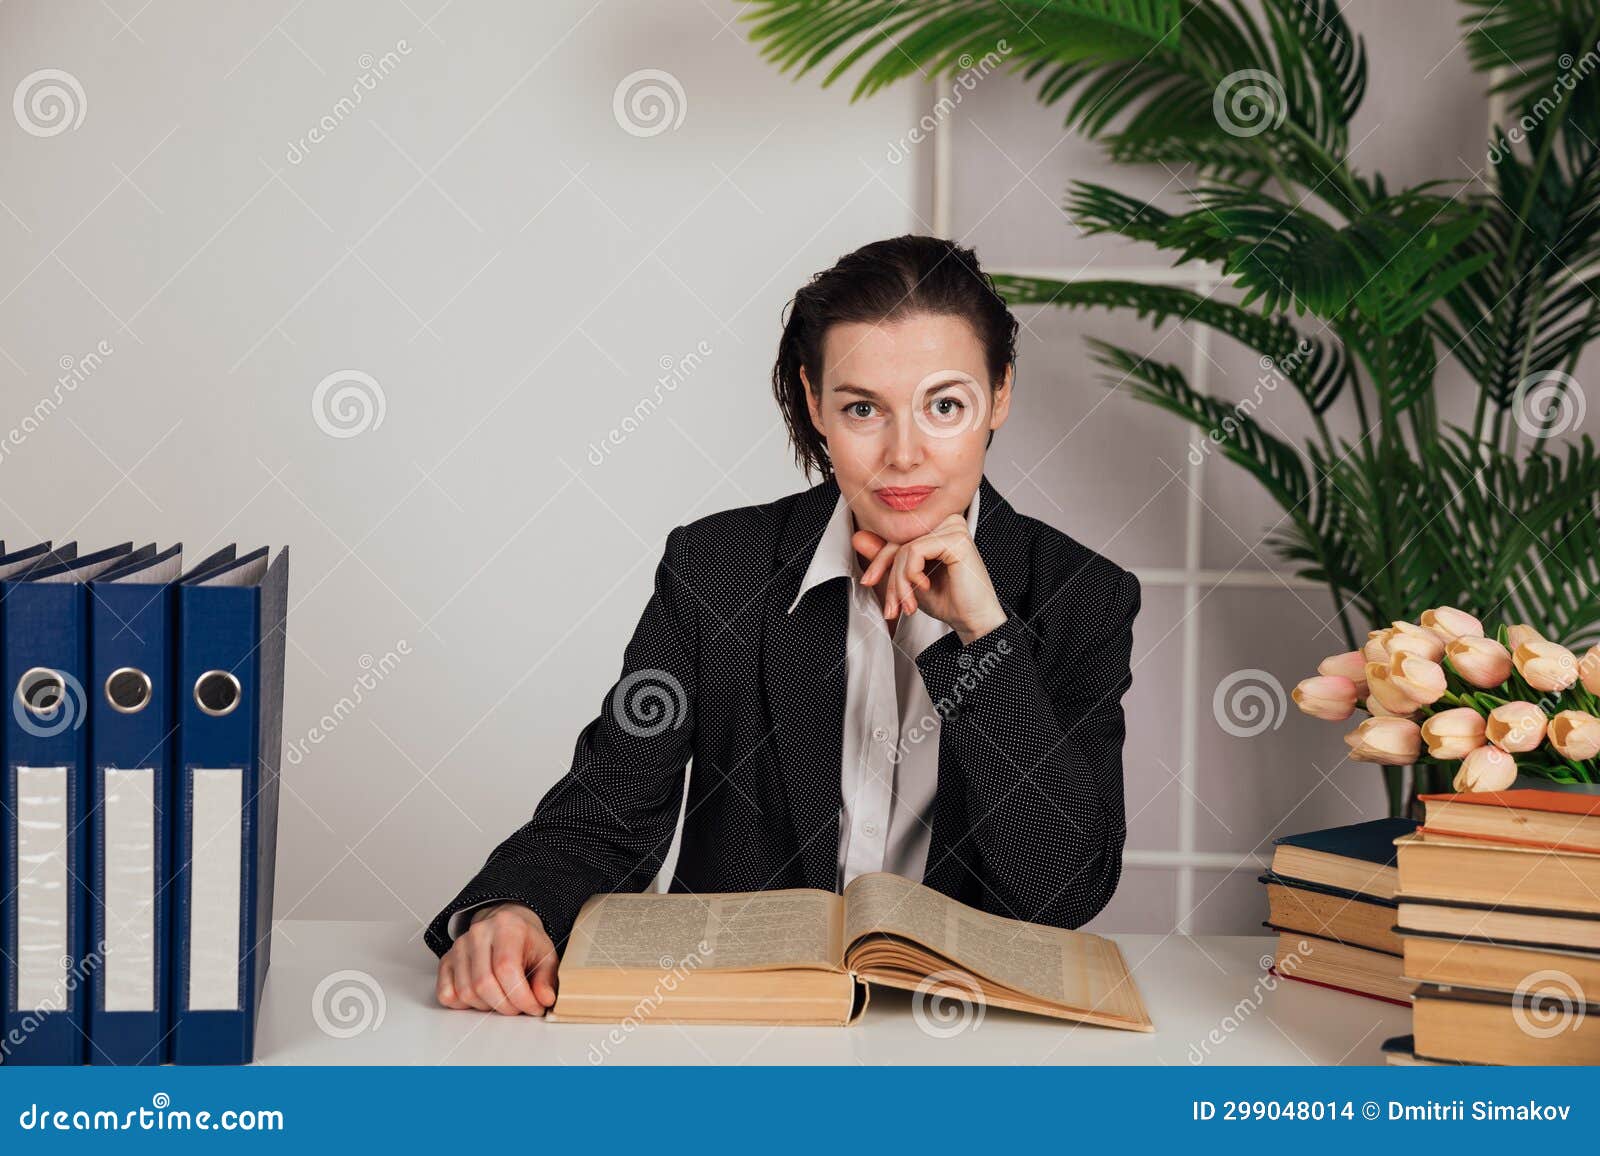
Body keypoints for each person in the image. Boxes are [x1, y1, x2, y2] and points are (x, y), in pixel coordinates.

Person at [426, 234, 1141, 1016]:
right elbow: (608, 809)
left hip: (964, 1047)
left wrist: (983, 638)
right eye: (863, 408)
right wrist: (513, 913)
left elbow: (1065, 889)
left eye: (944, 406)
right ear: (814, 403)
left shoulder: (1083, 597)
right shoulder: (714, 570)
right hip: (737, 1035)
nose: (905, 455)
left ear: (1000, 394)